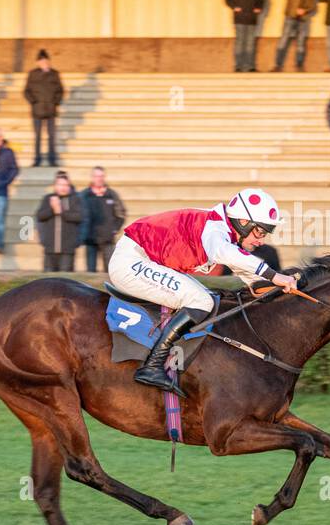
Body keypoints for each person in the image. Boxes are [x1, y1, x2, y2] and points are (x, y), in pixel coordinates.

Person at [108, 188, 299, 397]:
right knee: (201, 301)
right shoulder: (216, 230)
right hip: (130, 261)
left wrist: (281, 288)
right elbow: (227, 254)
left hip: (144, 259)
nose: (261, 240)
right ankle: (152, 366)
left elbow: (253, 281)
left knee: (208, 297)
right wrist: (274, 275)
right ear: (243, 222)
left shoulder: (226, 232)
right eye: (260, 232)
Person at [78, 166, 126, 272]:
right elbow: (79, 214)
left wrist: (114, 229)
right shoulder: (84, 195)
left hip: (107, 239)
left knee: (109, 271)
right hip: (90, 238)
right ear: (92, 177)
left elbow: (121, 214)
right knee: (90, 272)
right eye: (96, 176)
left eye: (101, 176)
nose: (99, 179)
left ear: (104, 177)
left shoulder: (112, 194)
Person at [24, 50, 64, 167]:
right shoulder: (32, 74)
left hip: (51, 110)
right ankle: (37, 159)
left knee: (51, 136)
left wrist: (55, 102)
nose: (44, 63)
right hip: (37, 111)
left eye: (46, 61)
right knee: (38, 137)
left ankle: (52, 159)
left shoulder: (55, 74)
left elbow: (60, 91)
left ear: (49, 61)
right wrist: (34, 102)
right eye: (41, 61)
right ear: (38, 62)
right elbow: (26, 91)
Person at [36, 172, 82, 273]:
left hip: (67, 249)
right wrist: (52, 209)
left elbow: (79, 217)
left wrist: (61, 211)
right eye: (61, 185)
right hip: (50, 248)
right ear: (55, 186)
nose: (63, 188)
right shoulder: (48, 198)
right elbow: (40, 216)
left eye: (66, 185)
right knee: (47, 281)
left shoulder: (75, 199)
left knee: (65, 280)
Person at [272, 0, 316, 72]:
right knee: (283, 40)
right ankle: (277, 65)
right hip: (290, 17)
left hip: (303, 20)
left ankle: (299, 65)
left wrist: (305, 10)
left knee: (300, 43)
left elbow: (313, 6)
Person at [225, 0, 265, 73]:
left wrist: (258, 8)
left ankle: (250, 66)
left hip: (252, 19)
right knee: (239, 42)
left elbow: (261, 0)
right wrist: (234, 7)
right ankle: (238, 66)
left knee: (250, 43)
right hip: (239, 19)